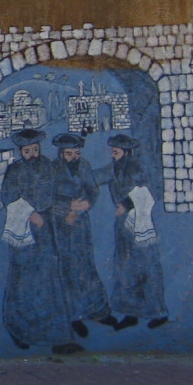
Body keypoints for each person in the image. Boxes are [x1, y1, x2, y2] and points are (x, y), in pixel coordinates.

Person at [0, 128, 81, 354]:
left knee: (50, 281)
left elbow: (56, 195)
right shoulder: (14, 170)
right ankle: (20, 331)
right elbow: (8, 196)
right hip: (23, 231)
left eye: (35, 149)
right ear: (21, 151)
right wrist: (29, 213)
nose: (32, 154)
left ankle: (59, 338)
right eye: (27, 151)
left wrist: (69, 206)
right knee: (23, 283)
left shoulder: (48, 167)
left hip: (45, 232)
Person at [49, 133, 117, 337]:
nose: (73, 157)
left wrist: (87, 204)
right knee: (67, 269)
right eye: (69, 153)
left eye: (76, 153)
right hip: (61, 225)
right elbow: (47, 197)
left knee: (86, 266)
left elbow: (92, 189)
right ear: (61, 153)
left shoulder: (84, 165)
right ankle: (74, 315)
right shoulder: (52, 170)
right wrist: (66, 208)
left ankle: (97, 311)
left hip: (80, 223)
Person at [106, 133, 168, 330]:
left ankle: (158, 312)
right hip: (124, 225)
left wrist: (125, 204)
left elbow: (145, 192)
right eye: (112, 152)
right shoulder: (116, 167)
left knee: (147, 268)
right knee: (126, 269)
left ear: (125, 152)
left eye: (116, 152)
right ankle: (131, 313)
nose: (112, 155)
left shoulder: (135, 167)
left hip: (139, 222)